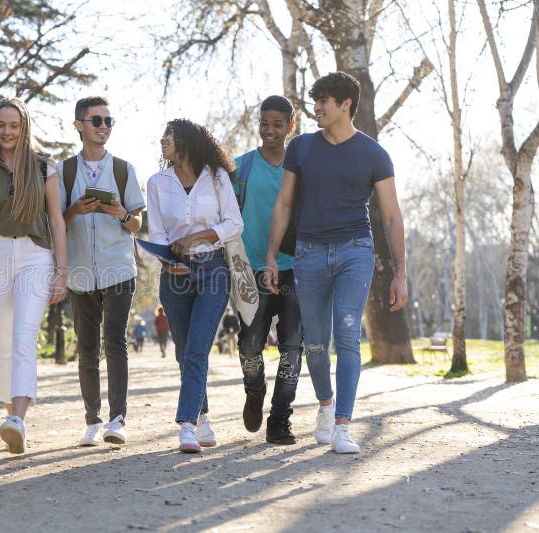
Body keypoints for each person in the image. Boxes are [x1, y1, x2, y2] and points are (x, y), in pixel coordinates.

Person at [264, 72, 408, 453]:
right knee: (315, 344)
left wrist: (401, 274)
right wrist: (271, 257)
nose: (317, 108)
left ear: (346, 104)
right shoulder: (301, 148)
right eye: (316, 100)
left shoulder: (374, 154)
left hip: (355, 250)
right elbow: (284, 204)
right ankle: (326, 406)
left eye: (324, 101)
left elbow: (392, 217)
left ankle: (343, 424)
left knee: (347, 336)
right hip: (309, 252)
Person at [0, 97, 67, 454]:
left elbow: (56, 222)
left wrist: (62, 272)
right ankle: (11, 418)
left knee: (22, 336)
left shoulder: (44, 167)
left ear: (25, 128)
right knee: (3, 343)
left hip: (36, 256)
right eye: (1, 125)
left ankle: (18, 418)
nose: (7, 132)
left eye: (14, 125)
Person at [147, 118, 244, 453]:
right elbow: (157, 232)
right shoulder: (157, 182)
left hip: (213, 269)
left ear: (186, 140)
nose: (163, 141)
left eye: (168, 135)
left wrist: (196, 237)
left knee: (198, 348)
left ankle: (186, 425)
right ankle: (202, 418)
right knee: (183, 350)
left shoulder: (217, 178)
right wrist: (167, 260)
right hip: (174, 273)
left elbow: (234, 222)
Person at [60, 96, 145, 447]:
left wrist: (121, 214)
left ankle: (117, 420)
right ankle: (92, 421)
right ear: (79, 125)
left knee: (115, 341)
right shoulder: (63, 172)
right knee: (87, 347)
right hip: (80, 271)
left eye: (109, 121)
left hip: (119, 269)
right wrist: (75, 211)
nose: (104, 127)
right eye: (97, 121)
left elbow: (138, 224)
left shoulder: (124, 169)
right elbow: (56, 225)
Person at [233, 95, 304, 445]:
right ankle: (254, 387)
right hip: (250, 270)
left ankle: (280, 419)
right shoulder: (241, 168)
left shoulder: (303, 168)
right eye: (264, 123)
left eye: (278, 124)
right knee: (250, 345)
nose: (270, 130)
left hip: (296, 269)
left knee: (292, 346)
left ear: (291, 125)